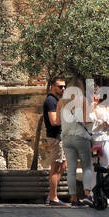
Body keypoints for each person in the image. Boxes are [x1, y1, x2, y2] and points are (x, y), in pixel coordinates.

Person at [60, 83, 94, 207]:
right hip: (80, 136)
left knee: (71, 170)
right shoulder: (82, 100)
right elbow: (87, 119)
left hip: (66, 138)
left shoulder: (61, 102)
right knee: (87, 167)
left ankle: (73, 199)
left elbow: (58, 121)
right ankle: (87, 195)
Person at [40, 78, 67, 206]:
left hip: (60, 137)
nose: (63, 89)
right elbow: (54, 121)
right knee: (55, 168)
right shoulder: (51, 101)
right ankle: (53, 197)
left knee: (63, 166)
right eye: (60, 87)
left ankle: (51, 194)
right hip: (55, 137)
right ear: (52, 87)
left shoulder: (57, 101)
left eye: (64, 87)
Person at [89, 87, 109, 170]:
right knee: (94, 162)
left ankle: (104, 181)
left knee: (107, 161)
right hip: (94, 140)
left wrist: (107, 124)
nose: (95, 96)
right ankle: (94, 182)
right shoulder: (88, 108)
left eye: (96, 93)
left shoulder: (106, 108)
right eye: (92, 93)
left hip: (105, 139)